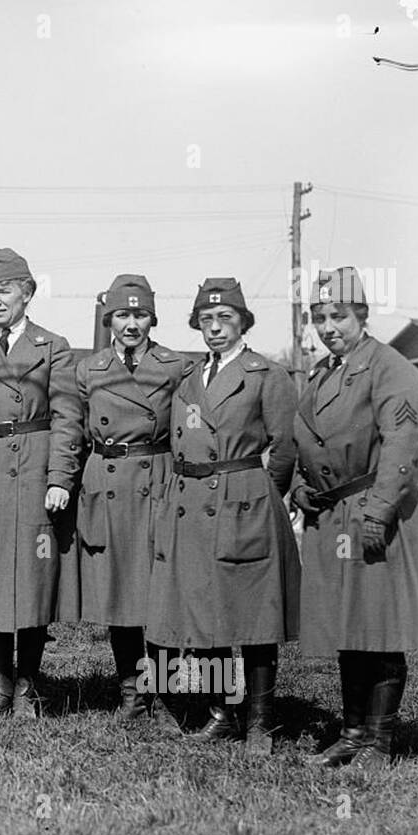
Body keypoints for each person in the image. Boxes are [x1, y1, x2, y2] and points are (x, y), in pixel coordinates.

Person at [293, 267, 418, 770]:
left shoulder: (391, 367)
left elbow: (401, 449)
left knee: (379, 630)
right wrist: (303, 486)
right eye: (320, 318)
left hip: (374, 513)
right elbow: (311, 441)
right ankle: (352, 733)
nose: (328, 327)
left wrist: (378, 513)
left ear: (362, 314)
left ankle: (379, 745)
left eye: (338, 316)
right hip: (332, 514)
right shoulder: (323, 372)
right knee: (350, 628)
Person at [145, 277, 300, 753]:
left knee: (253, 617)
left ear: (243, 323)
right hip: (191, 504)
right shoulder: (190, 378)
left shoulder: (265, 375)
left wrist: (260, 495)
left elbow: (286, 445)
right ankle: (222, 713)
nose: (215, 328)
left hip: (244, 502)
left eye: (225, 319)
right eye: (206, 320)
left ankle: (260, 723)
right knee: (205, 615)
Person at [0, 249, 80, 719]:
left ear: (28, 292)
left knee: (30, 581)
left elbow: (68, 417)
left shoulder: (54, 347)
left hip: (33, 473)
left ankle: (27, 688)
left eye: (4, 289)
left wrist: (61, 476)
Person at [65, 275, 190, 719]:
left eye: (140, 314)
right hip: (108, 483)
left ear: (152, 318)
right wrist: (64, 481)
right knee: (120, 595)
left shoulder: (177, 367)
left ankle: (169, 696)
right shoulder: (89, 370)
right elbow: (73, 433)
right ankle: (132, 692)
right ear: (109, 320)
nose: (131, 324)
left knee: (160, 594)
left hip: (157, 479)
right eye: (122, 315)